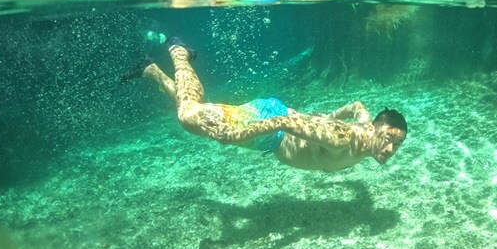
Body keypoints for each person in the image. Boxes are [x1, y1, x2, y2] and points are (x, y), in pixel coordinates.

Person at [126, 37, 408, 171]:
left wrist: (324, 117)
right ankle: (179, 51)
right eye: (388, 140)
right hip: (269, 129)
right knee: (189, 117)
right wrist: (238, 134)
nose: (390, 149)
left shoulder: (364, 128)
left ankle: (150, 70)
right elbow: (282, 123)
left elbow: (357, 106)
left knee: (194, 113)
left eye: (396, 145)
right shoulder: (344, 137)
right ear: (376, 129)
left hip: (276, 120)